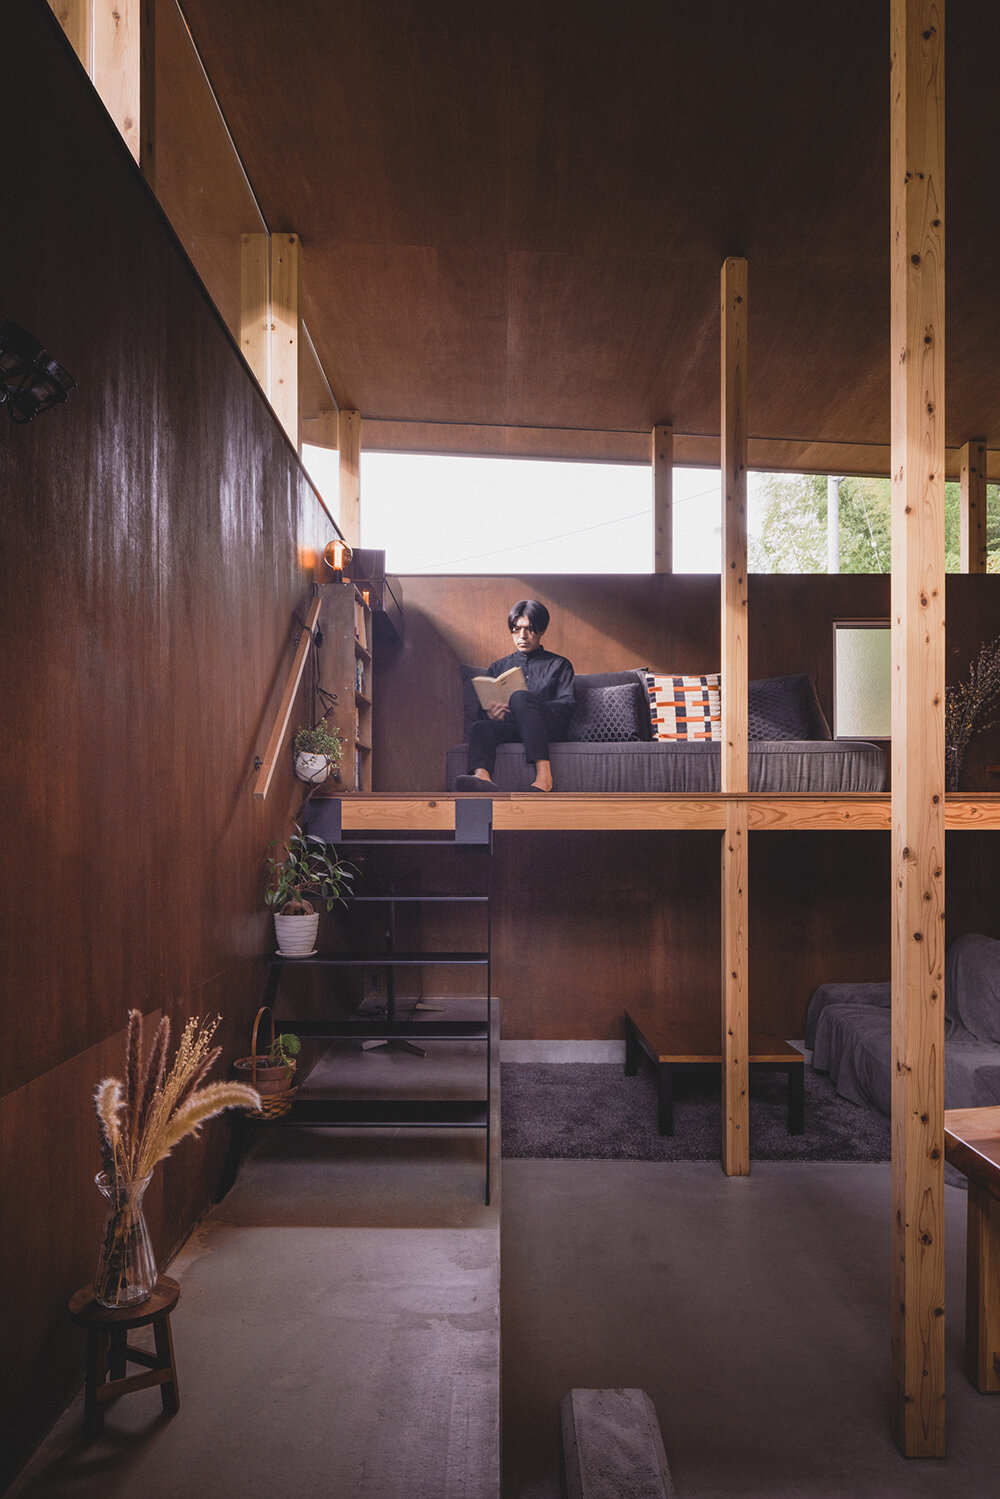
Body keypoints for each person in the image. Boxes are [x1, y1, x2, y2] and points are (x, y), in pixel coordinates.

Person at [456, 600, 574, 793]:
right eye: (516, 629)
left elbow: (567, 706)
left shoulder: (559, 665)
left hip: (549, 728)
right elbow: (482, 712)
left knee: (520, 697)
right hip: (513, 727)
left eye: (529, 629)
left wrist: (527, 707)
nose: (522, 636)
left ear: (542, 630)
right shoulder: (498, 667)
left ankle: (544, 779)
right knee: (480, 727)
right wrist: (492, 713)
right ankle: (481, 777)